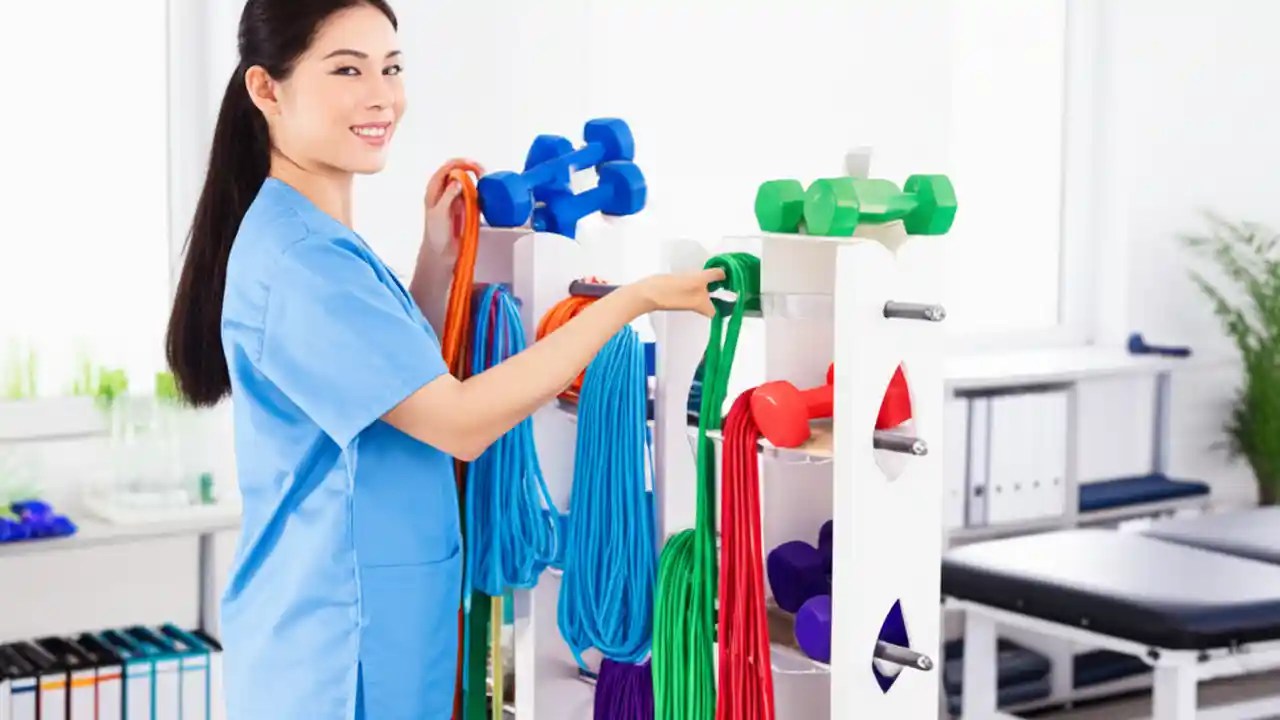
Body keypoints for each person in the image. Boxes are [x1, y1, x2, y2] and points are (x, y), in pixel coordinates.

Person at [163, 1, 721, 718]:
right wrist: (632, 301)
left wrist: (437, 260)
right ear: (267, 90)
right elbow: (456, 420)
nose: (381, 96)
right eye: (347, 70)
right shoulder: (304, 261)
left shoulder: (311, 239)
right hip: (337, 651)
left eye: (391, 68)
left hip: (362, 625)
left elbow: (392, 384)